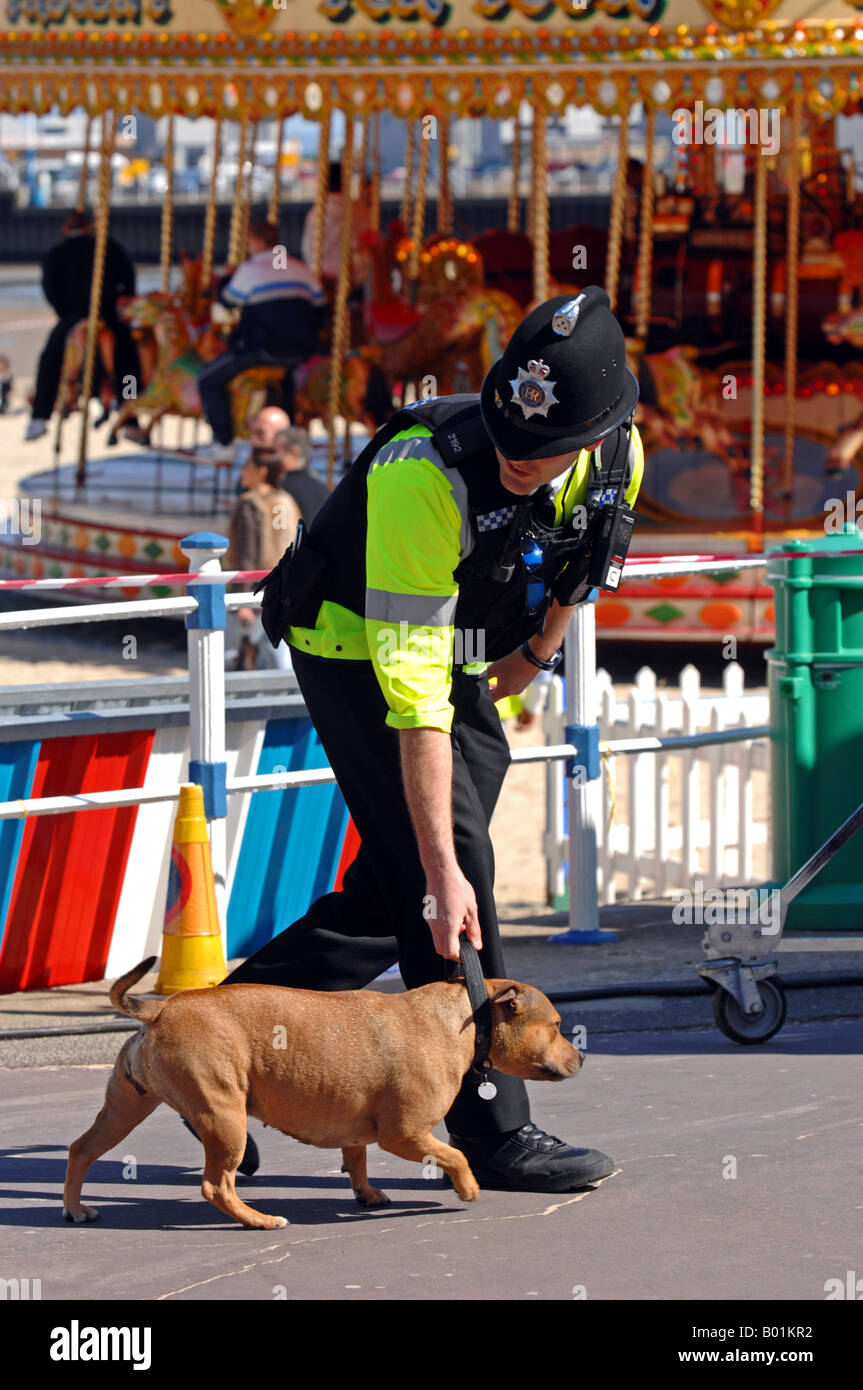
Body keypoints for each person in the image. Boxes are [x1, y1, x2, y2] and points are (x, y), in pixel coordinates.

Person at [221, 288, 645, 1190]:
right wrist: (446, 867)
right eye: (511, 442)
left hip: (470, 645)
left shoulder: (617, 450)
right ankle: (490, 1128)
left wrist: (537, 651)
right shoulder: (424, 473)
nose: (522, 463)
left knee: (400, 891)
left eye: (546, 451)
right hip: (352, 647)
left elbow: (589, 549)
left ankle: (222, 1029)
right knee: (449, 869)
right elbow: (412, 697)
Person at [197, 219, 325, 449]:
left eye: (248, 241)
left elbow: (227, 300)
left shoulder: (251, 269)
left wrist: (227, 277)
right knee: (285, 380)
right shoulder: (299, 267)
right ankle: (288, 435)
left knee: (208, 379)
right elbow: (321, 304)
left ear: (256, 241)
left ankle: (223, 441)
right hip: (299, 351)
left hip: (260, 350)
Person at [26, 210, 142, 441]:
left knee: (50, 360)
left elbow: (50, 289)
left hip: (74, 316)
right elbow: (128, 279)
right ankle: (130, 416)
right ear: (89, 227)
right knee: (128, 364)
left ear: (65, 230)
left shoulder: (56, 254)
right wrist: (119, 303)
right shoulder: (108, 247)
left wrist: (65, 312)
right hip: (107, 315)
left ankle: (40, 416)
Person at [224, 449, 300, 672]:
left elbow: (246, 554)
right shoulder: (287, 501)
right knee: (281, 657)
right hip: (282, 592)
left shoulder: (250, 504)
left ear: (262, 471)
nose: (242, 471)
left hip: (255, 594)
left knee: (233, 656)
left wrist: (242, 598)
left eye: (247, 466)